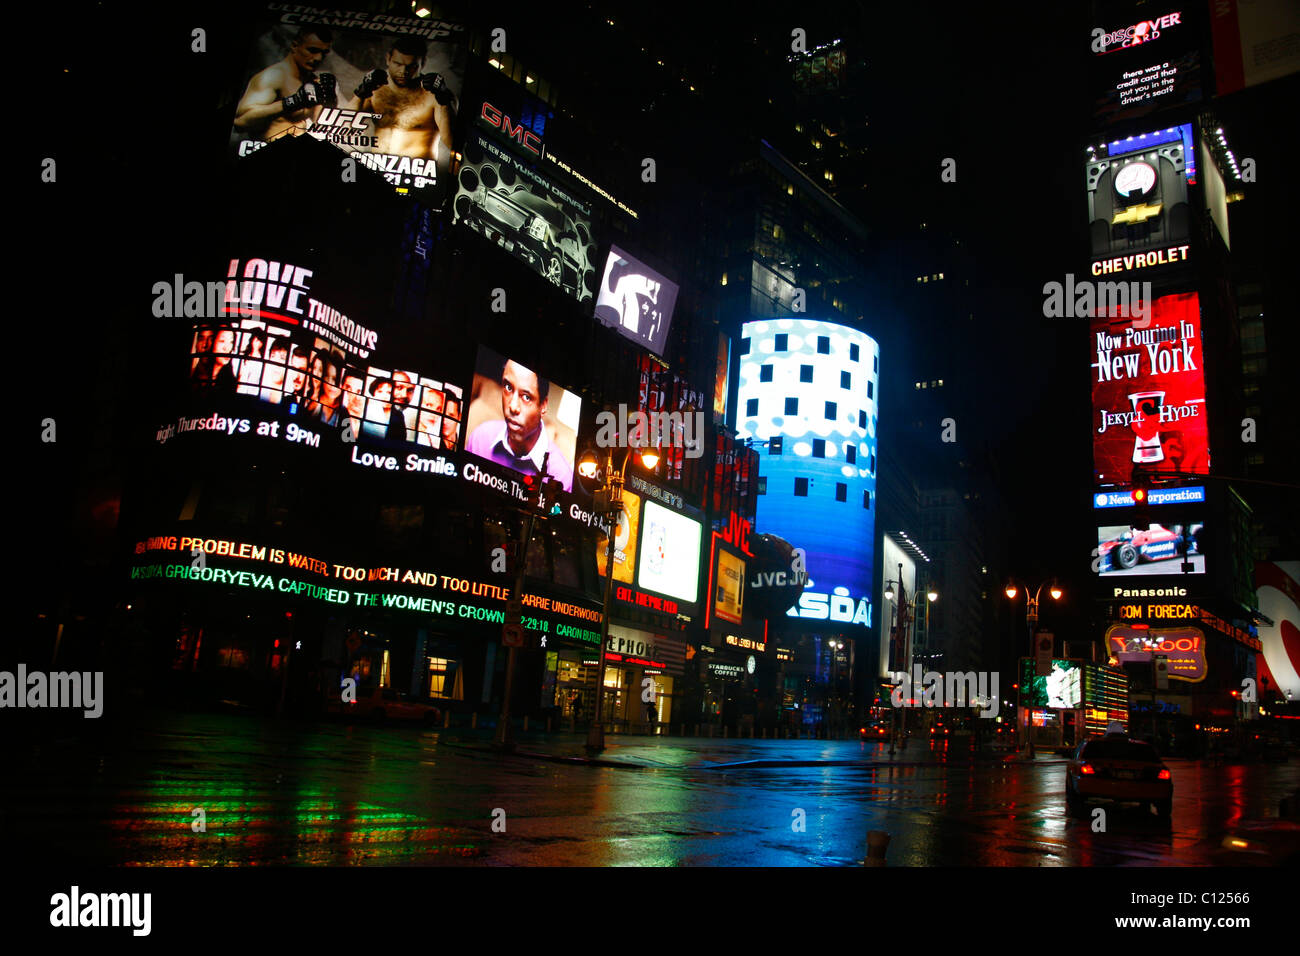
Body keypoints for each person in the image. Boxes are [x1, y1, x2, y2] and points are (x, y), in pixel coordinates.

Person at [465, 359, 573, 488]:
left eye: (526, 397)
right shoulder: (480, 436)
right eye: (508, 387)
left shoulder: (562, 477)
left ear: (543, 406)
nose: (513, 406)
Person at [347, 36, 455, 161]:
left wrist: (444, 100)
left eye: (412, 66)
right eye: (398, 64)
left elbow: (451, 143)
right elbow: (344, 127)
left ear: (423, 63)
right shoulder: (376, 90)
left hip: (416, 173)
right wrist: (361, 93)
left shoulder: (433, 95)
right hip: (376, 167)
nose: (403, 71)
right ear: (388, 59)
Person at [233, 25, 336, 142]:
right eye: (313, 50)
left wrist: (329, 102)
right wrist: (290, 103)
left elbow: (319, 125)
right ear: (294, 46)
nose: (318, 58)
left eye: (324, 53)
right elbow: (239, 123)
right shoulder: (274, 77)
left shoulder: (313, 81)